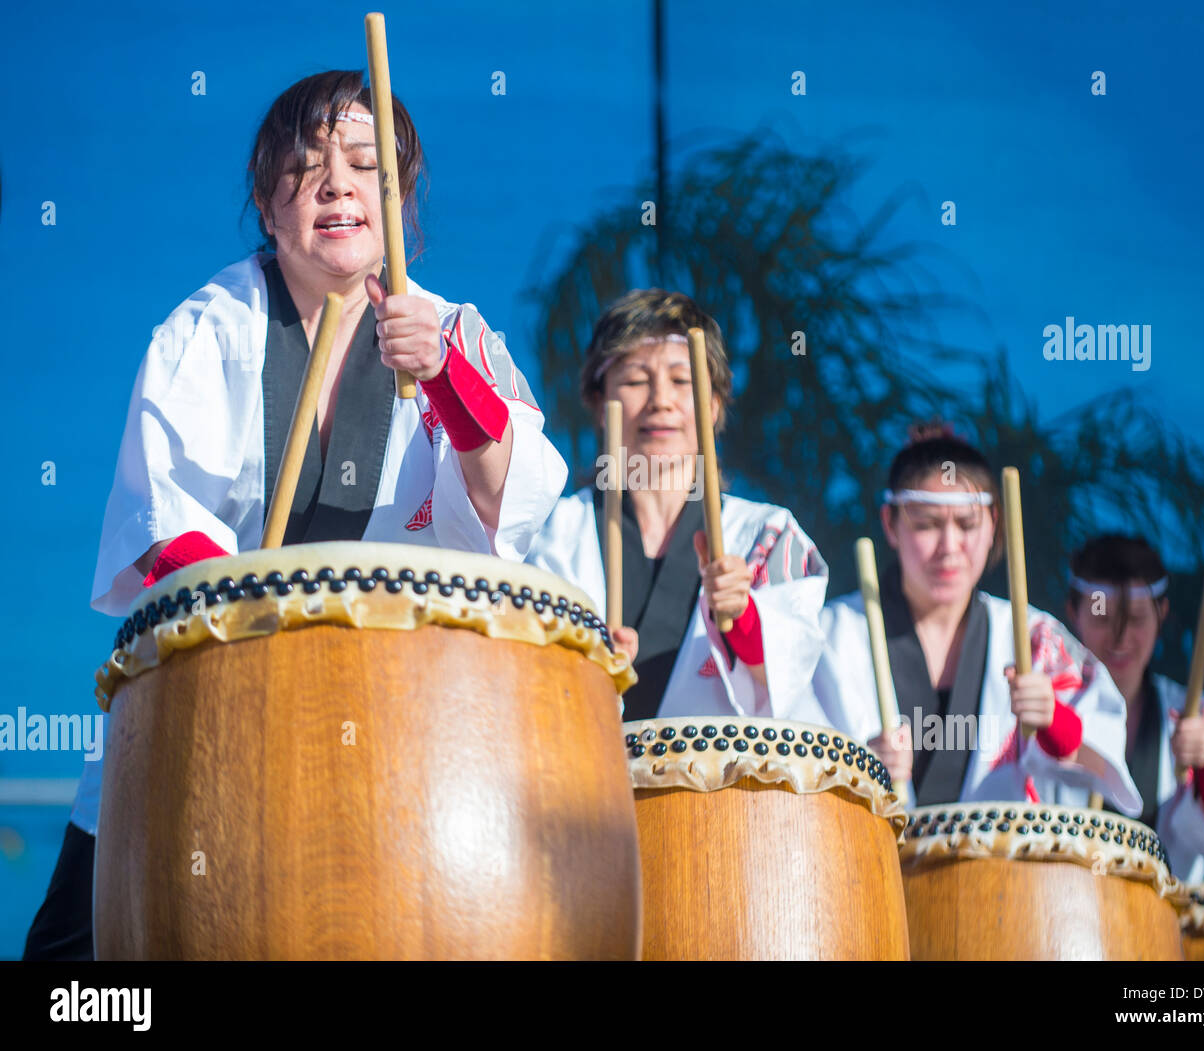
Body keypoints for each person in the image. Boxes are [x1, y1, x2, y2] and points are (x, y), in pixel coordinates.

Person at [23, 69, 567, 959]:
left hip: (395, 726)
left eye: (364, 165)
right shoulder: (208, 329)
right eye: (306, 168)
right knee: (86, 966)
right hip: (216, 702)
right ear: (268, 208)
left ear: (400, 203)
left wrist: (445, 377)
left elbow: (515, 500)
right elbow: (164, 523)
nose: (338, 185)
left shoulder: (454, 334)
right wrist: (274, 631)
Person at [525, 289, 828, 723]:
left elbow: (790, 673)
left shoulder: (767, 535)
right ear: (597, 401)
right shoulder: (554, 533)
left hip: (720, 789)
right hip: (585, 782)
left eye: (681, 380)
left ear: (714, 404)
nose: (660, 400)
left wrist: (742, 618)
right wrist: (584, 665)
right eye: (634, 380)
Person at [812, 424, 1139, 811]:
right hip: (870, 867)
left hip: (997, 870)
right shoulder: (832, 635)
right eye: (927, 525)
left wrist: (1055, 722)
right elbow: (789, 767)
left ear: (993, 524)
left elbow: (1106, 767)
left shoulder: (1032, 639)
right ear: (890, 524)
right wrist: (855, 770)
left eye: (967, 524)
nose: (949, 547)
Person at [1064, 534, 1204, 882]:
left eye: (1137, 619)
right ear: (1073, 613)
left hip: (1159, 928)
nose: (1120, 638)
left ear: (1162, 614)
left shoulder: (1200, 717)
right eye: (1103, 618)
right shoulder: (1043, 707)